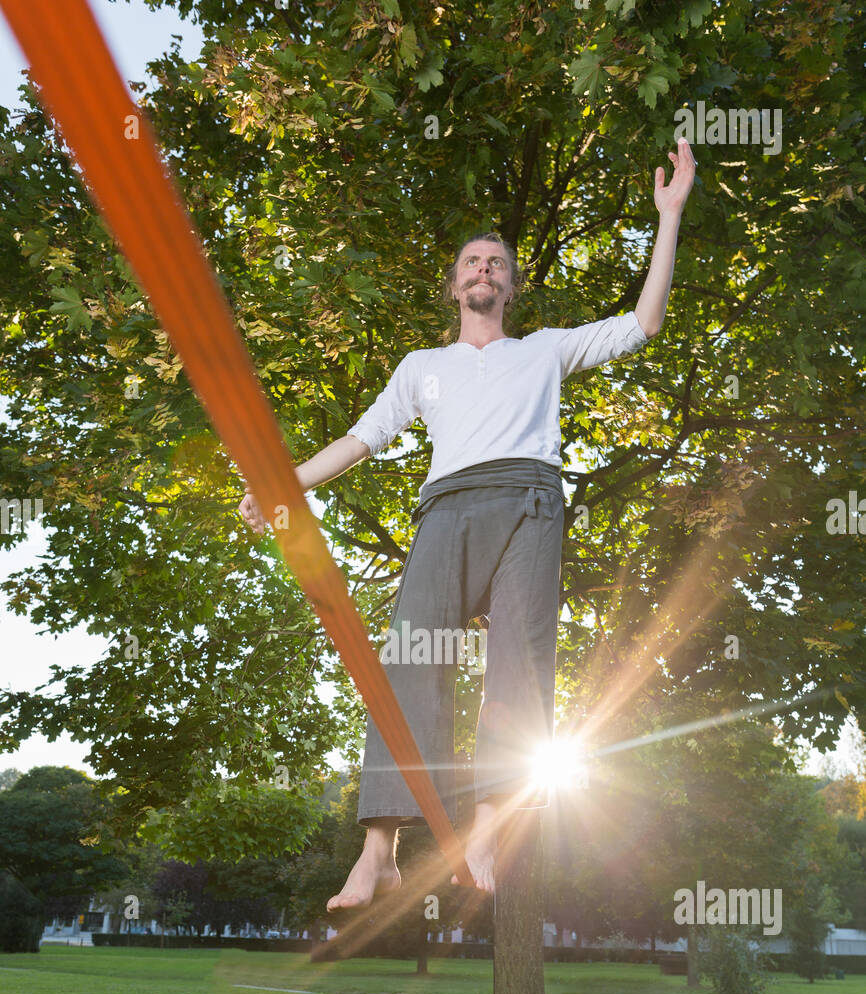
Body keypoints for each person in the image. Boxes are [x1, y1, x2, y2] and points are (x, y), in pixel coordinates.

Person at [240, 139, 696, 911]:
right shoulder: (423, 366)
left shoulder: (546, 351)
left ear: (512, 287)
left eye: (496, 263)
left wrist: (670, 215)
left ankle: (485, 828)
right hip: (445, 510)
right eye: (472, 262)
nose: (483, 269)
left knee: (519, 668)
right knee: (411, 664)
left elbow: (644, 324)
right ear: (454, 285)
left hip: (528, 503)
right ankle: (380, 852)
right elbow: (362, 439)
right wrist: (283, 487)